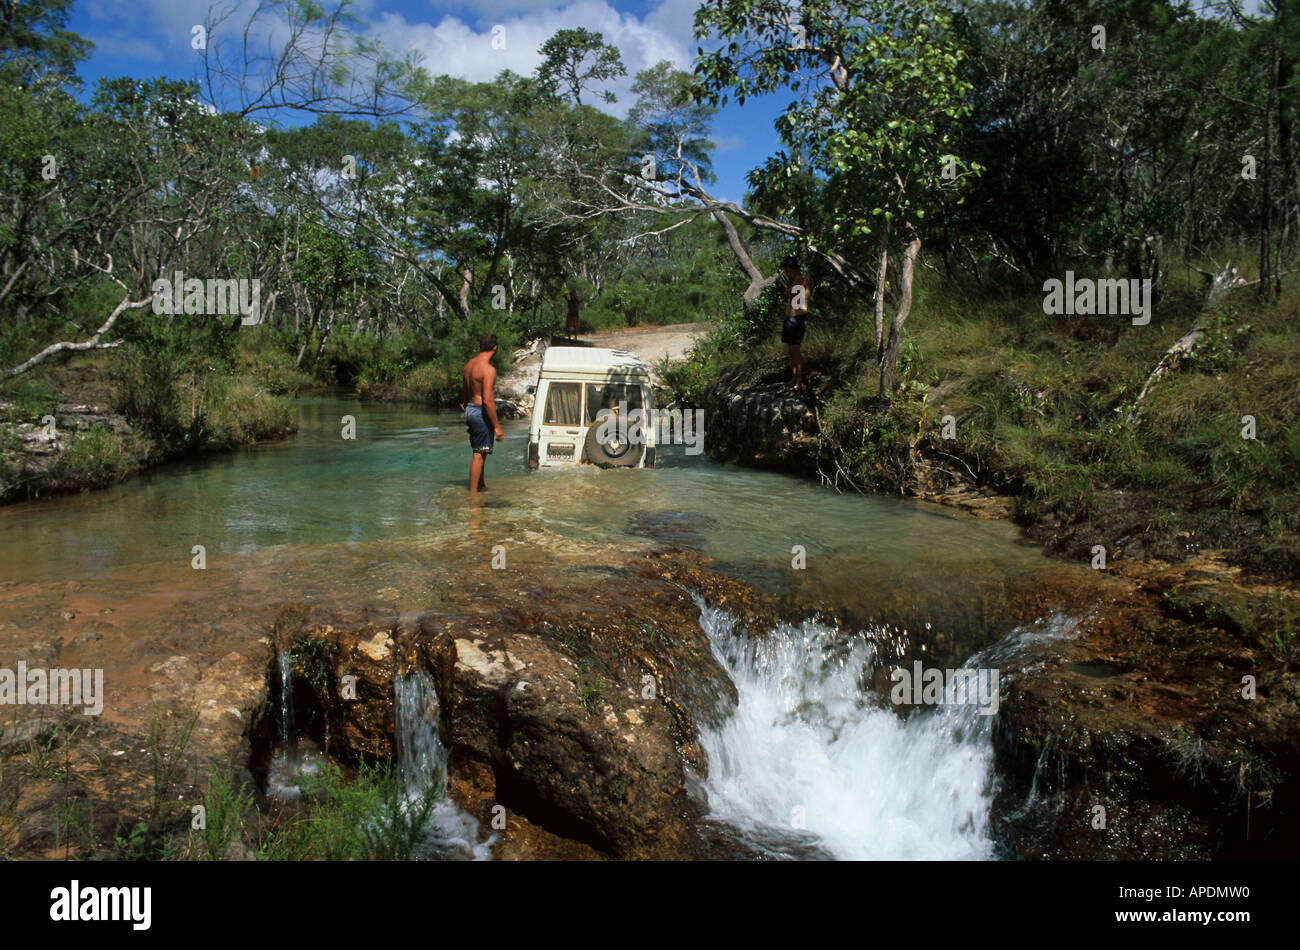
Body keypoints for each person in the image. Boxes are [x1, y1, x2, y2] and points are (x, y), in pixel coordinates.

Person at [461, 334, 504, 493]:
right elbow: (488, 400)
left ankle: (481, 486)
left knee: (482, 450)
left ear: (480, 347)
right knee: (479, 454)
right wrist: (497, 427)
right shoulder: (488, 369)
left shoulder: (469, 365)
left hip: (470, 409)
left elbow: (465, 392)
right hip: (480, 411)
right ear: (495, 347)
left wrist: (467, 409)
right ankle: (473, 496)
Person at [779, 254, 809, 390]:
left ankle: (800, 380)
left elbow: (792, 296)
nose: (785, 273)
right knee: (791, 351)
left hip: (797, 319)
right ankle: (794, 377)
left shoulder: (801, 279)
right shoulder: (792, 280)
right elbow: (788, 295)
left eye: (786, 270)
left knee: (795, 350)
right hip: (790, 318)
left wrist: (790, 286)